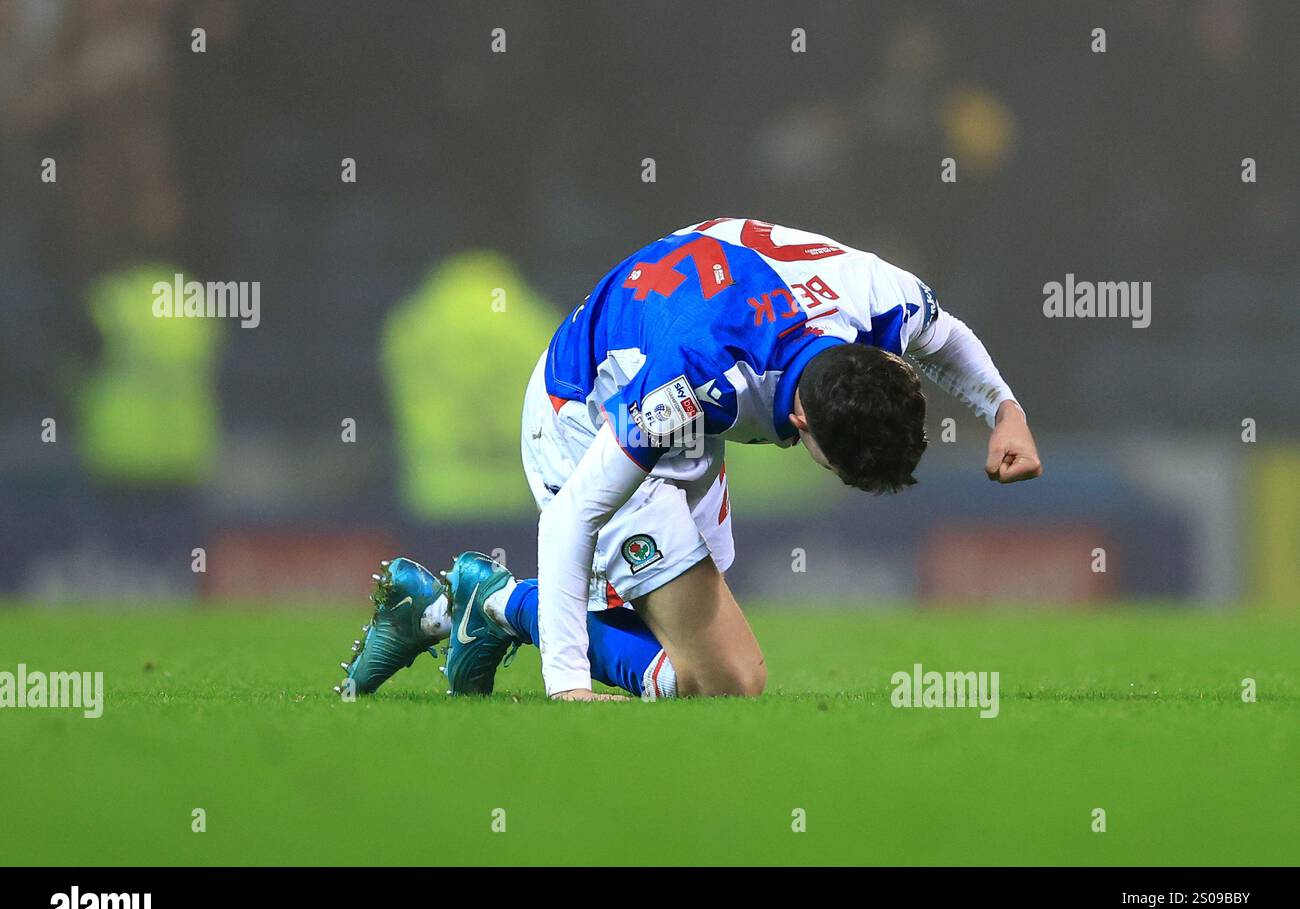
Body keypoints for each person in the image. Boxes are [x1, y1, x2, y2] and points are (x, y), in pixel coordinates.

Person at [334, 218, 1041, 701]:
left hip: (685, 405)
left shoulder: (873, 299)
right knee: (725, 681)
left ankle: (460, 615)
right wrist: (568, 685)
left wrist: (1005, 410)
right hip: (582, 414)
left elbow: (943, 338)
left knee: (671, 645)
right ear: (800, 422)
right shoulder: (694, 380)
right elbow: (574, 513)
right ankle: (491, 601)